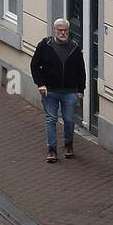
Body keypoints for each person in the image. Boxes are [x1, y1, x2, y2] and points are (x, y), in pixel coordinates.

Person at [29, 17, 87, 163]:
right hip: (50, 91)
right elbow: (35, 65)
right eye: (59, 30)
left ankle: (68, 145)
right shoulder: (45, 45)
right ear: (54, 30)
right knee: (51, 119)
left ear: (68, 31)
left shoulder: (74, 47)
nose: (62, 33)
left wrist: (80, 90)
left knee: (68, 120)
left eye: (65, 30)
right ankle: (52, 150)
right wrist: (40, 84)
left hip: (69, 91)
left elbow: (81, 70)